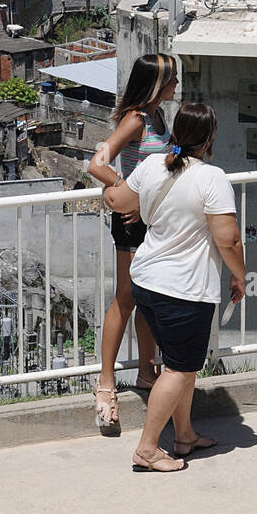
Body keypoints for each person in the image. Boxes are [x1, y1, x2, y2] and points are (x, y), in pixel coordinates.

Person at [104, 102, 245, 473]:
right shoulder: (211, 178)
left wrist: (108, 184)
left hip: (146, 281)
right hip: (184, 290)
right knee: (180, 370)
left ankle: (184, 435)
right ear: (210, 137)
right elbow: (228, 239)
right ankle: (148, 448)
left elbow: (118, 200)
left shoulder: (152, 165)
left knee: (178, 364)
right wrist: (240, 275)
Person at [87, 53, 178, 433]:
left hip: (153, 220)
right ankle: (106, 385)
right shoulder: (136, 119)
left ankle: (146, 371)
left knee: (147, 297)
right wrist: (125, 190)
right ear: (157, 85)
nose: (177, 86)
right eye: (172, 79)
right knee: (125, 298)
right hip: (131, 222)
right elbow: (97, 162)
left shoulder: (157, 116)